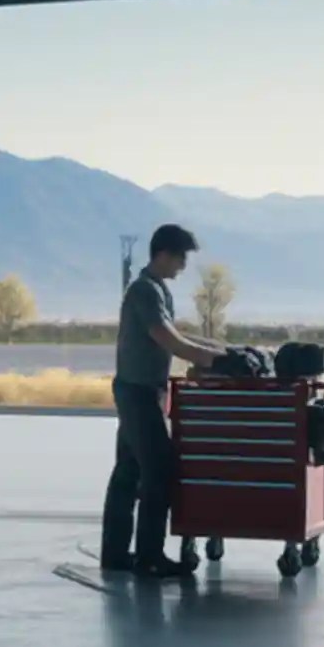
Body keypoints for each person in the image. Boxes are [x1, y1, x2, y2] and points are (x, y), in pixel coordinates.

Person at [100, 224, 227, 578]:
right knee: (159, 470)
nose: (183, 266)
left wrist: (215, 348)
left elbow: (175, 334)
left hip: (140, 391)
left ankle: (115, 554)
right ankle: (149, 555)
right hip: (139, 393)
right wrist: (217, 361)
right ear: (163, 254)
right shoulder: (144, 291)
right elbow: (167, 339)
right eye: (181, 257)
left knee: (128, 472)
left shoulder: (156, 290)